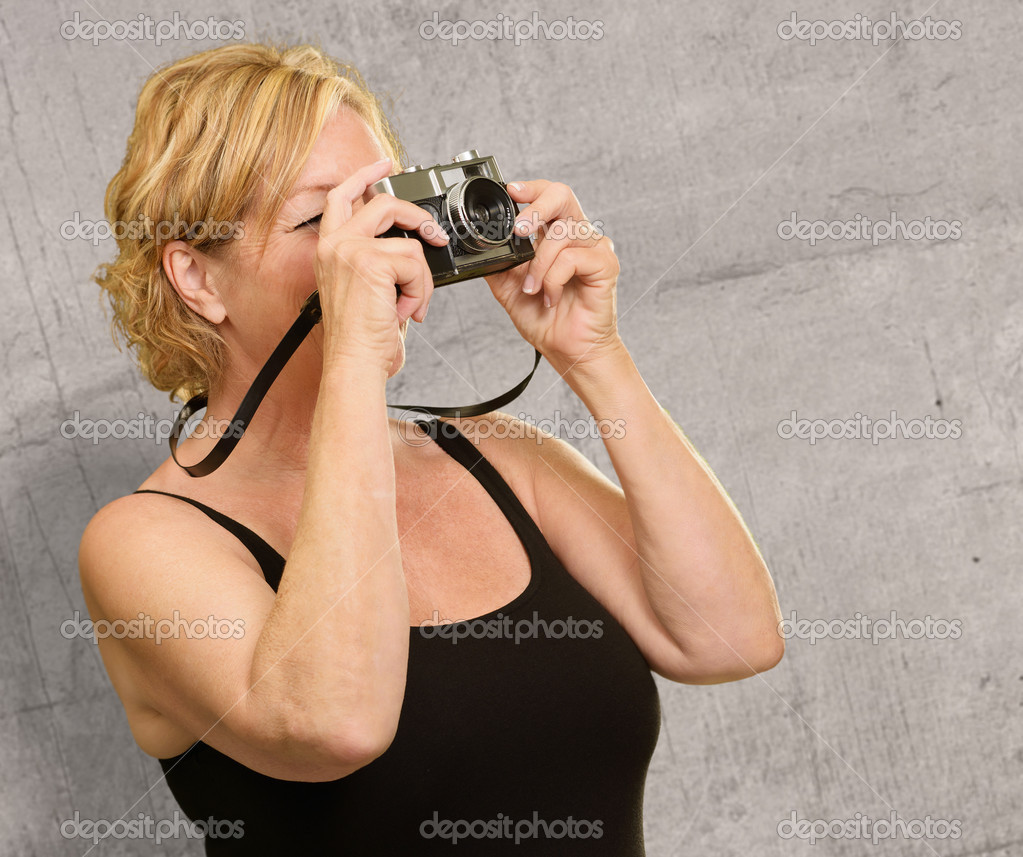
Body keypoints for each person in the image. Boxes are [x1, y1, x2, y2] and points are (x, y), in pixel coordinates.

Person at [79, 42, 784, 855]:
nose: (381, 246)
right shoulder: (143, 544)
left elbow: (733, 637)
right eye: (324, 221)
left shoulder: (502, 460)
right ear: (197, 278)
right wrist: (354, 356)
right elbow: (334, 724)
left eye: (382, 205)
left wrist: (593, 355)